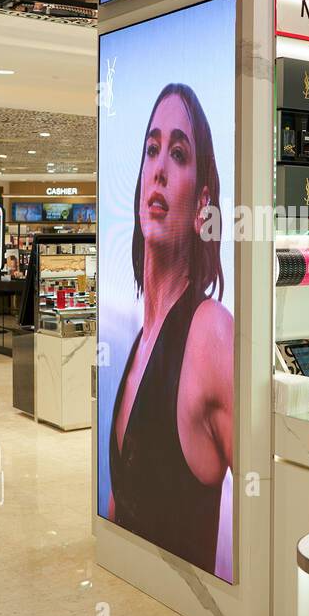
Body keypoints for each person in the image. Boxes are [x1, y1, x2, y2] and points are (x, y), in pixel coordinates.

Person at [108, 83, 234, 577]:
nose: (158, 168)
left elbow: (262, 500)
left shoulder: (211, 335)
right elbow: (124, 511)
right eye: (151, 149)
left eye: (178, 153)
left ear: (202, 197)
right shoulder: (140, 344)